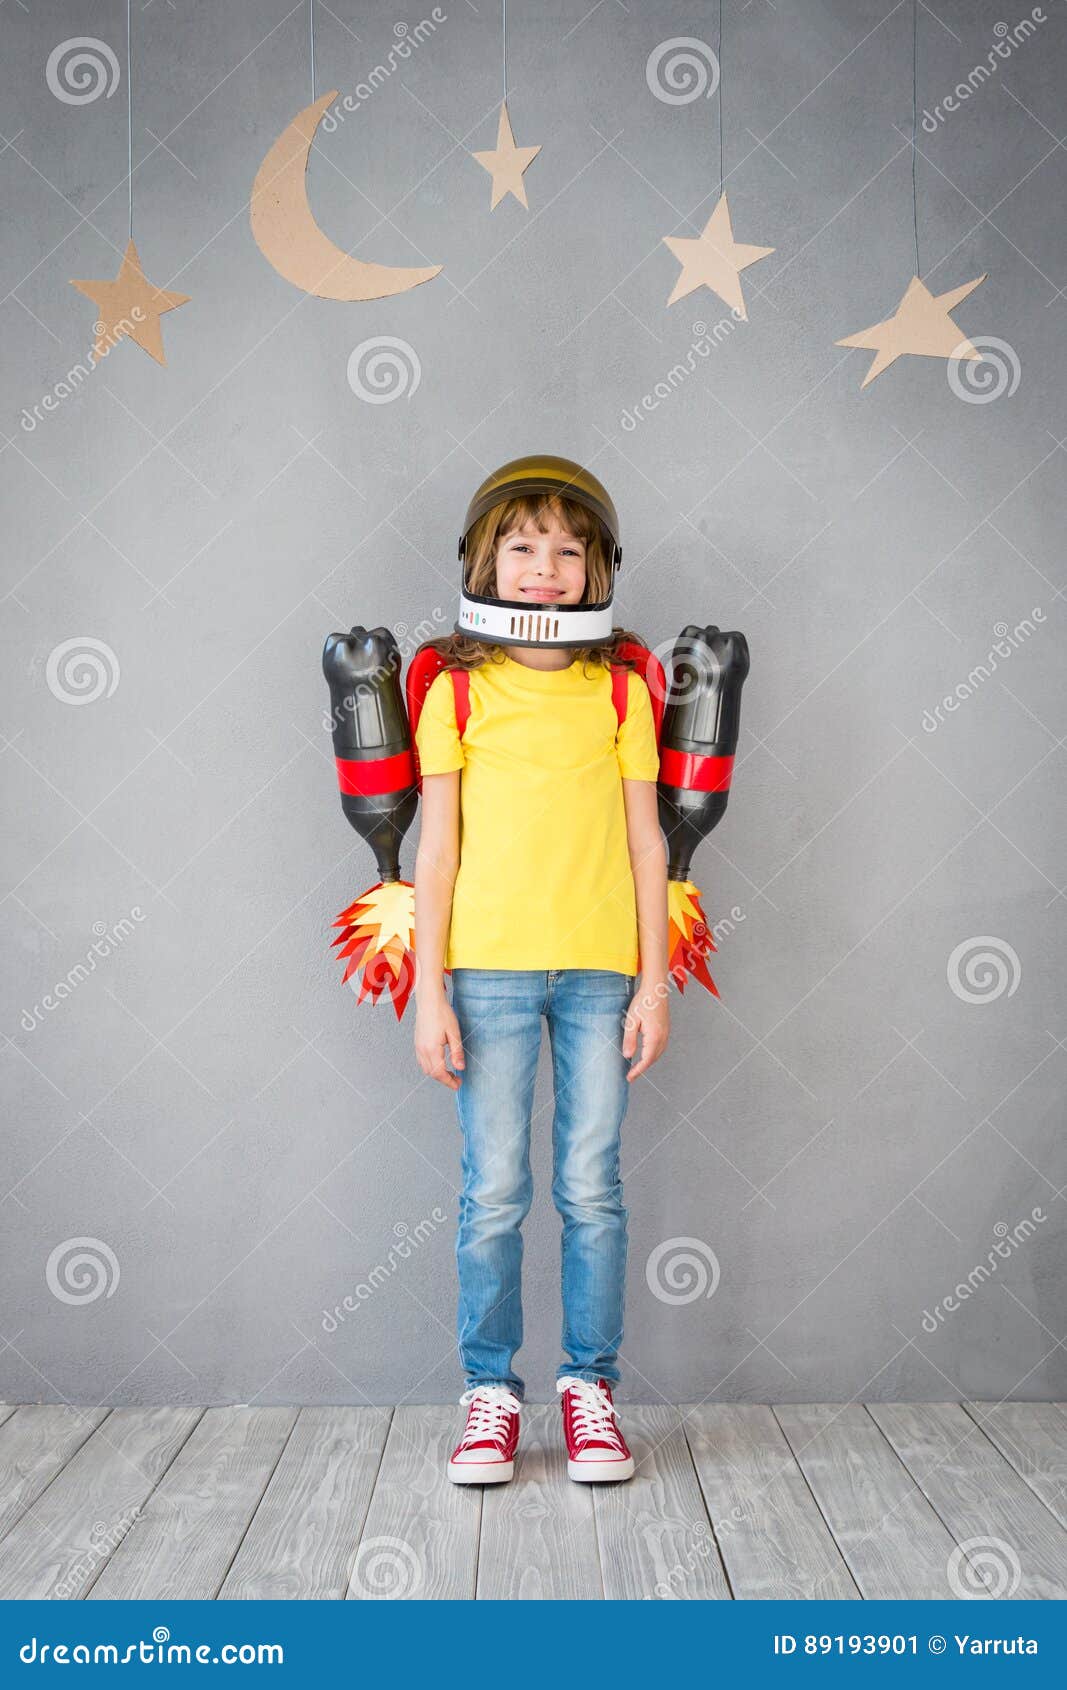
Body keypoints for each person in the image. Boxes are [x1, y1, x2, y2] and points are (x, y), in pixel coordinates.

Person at [412, 456, 670, 1486]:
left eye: (568, 549)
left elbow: (647, 842)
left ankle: (589, 1392)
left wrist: (652, 982)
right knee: (494, 1193)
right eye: (522, 547)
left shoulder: (619, 687)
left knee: (589, 1189)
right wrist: (428, 989)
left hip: (601, 973)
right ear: (485, 559)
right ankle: (489, 1395)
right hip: (485, 973)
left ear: (597, 568)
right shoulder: (457, 689)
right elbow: (435, 848)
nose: (545, 567)